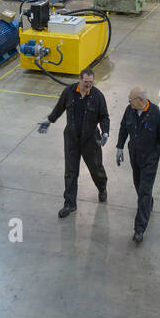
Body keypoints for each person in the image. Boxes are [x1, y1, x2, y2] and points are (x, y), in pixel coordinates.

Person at [38, 68, 110, 218]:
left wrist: (105, 132)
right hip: (71, 139)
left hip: (91, 140)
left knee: (96, 168)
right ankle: (69, 204)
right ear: (80, 79)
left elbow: (104, 116)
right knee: (70, 172)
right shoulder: (69, 92)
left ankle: (102, 187)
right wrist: (49, 120)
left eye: (91, 82)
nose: (88, 85)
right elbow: (59, 108)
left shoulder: (97, 96)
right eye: (86, 82)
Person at [115, 87, 160, 244]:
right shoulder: (130, 110)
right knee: (138, 186)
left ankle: (139, 229)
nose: (129, 102)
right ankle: (148, 204)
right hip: (135, 155)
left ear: (140, 100)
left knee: (144, 191)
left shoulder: (157, 113)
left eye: (131, 99)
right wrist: (119, 147)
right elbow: (123, 128)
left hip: (150, 158)